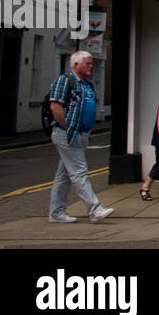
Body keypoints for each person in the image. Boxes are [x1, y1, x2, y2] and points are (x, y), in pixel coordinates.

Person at [47, 51, 113, 223]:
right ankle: (95, 210)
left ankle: (56, 213)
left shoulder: (87, 85)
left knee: (65, 175)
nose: (91, 66)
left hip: (81, 134)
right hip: (67, 134)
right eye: (88, 63)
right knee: (79, 171)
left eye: (91, 63)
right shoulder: (65, 81)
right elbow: (55, 107)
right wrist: (69, 128)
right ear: (76, 64)